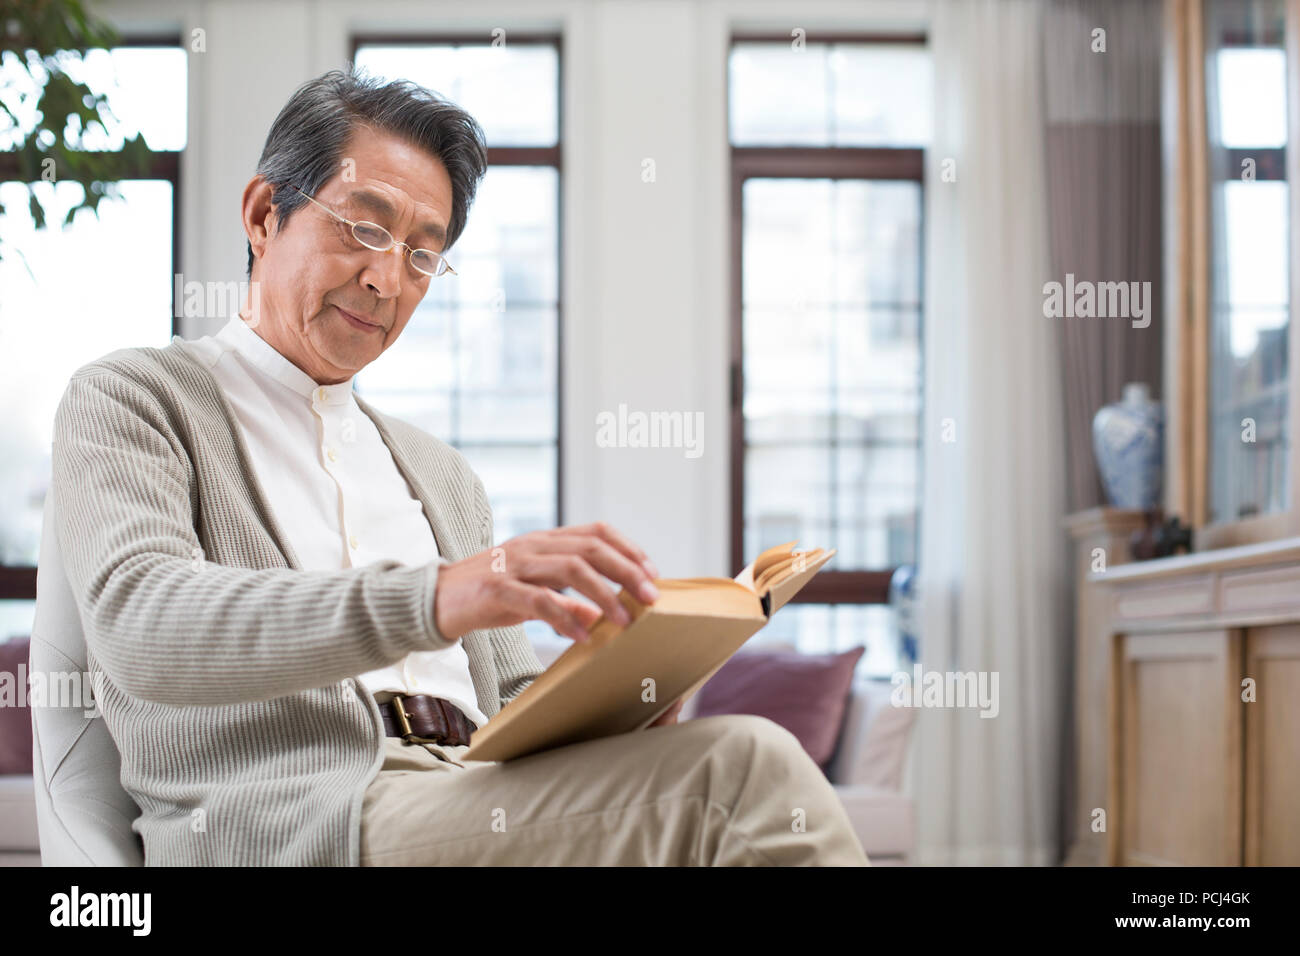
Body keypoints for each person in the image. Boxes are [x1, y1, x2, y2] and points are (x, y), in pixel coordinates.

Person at [50, 68, 868, 866]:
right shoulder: (135, 398)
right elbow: (142, 625)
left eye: (421, 255)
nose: (385, 279)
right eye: (364, 228)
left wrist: (630, 703)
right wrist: (439, 594)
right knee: (742, 773)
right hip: (303, 824)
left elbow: (515, 707)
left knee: (712, 769)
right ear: (266, 215)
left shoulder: (438, 474)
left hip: (474, 799)